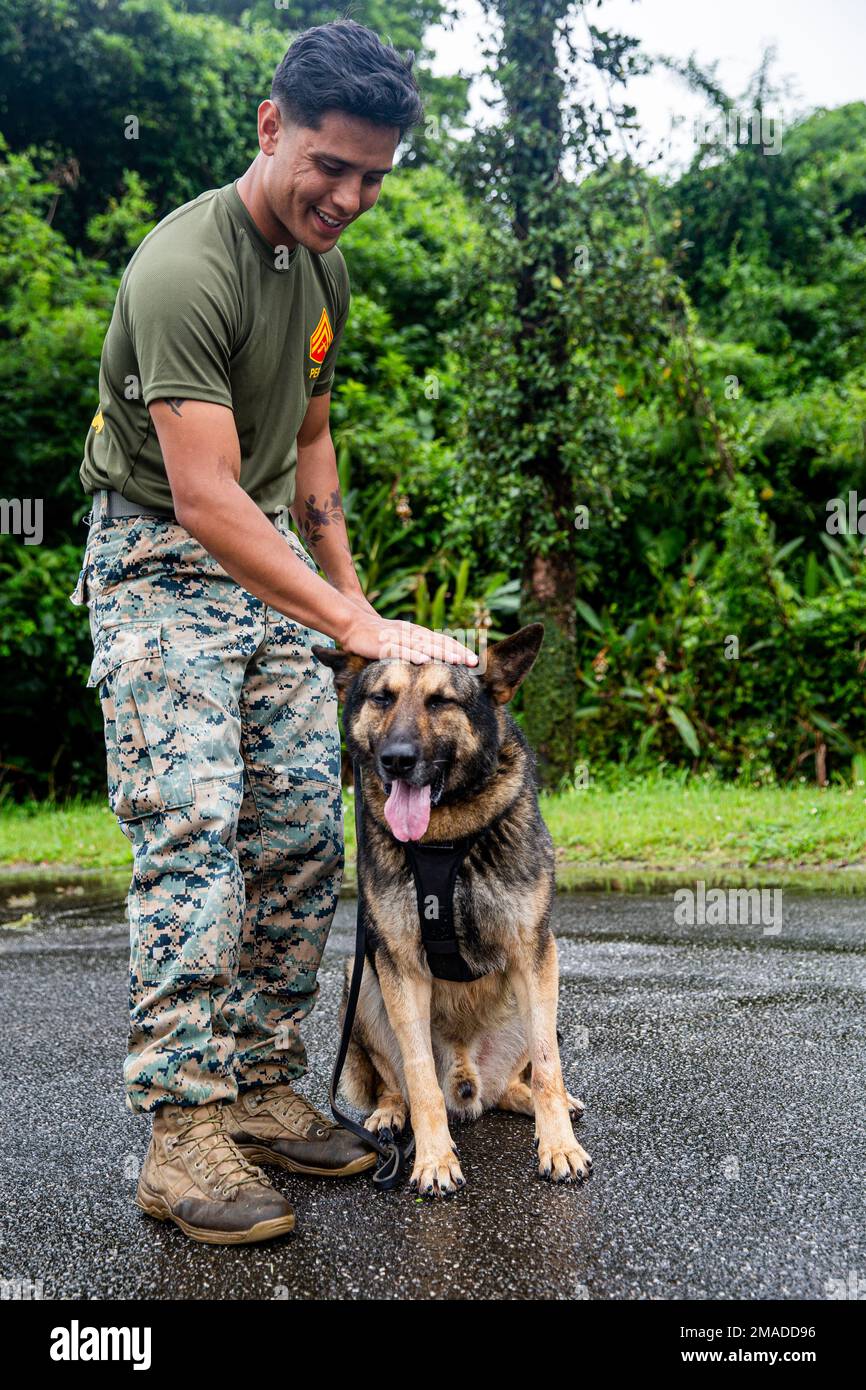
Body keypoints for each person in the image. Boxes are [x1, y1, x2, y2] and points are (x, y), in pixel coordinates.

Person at [69, 18, 479, 1246]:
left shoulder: (321, 270)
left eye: (373, 176)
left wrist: (358, 620)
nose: (348, 197)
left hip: (270, 565)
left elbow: (306, 447)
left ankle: (253, 1084)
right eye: (329, 167)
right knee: (195, 834)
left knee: (304, 830)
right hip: (157, 554)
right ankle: (180, 1132)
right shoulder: (182, 268)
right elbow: (201, 496)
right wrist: (348, 613)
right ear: (270, 128)